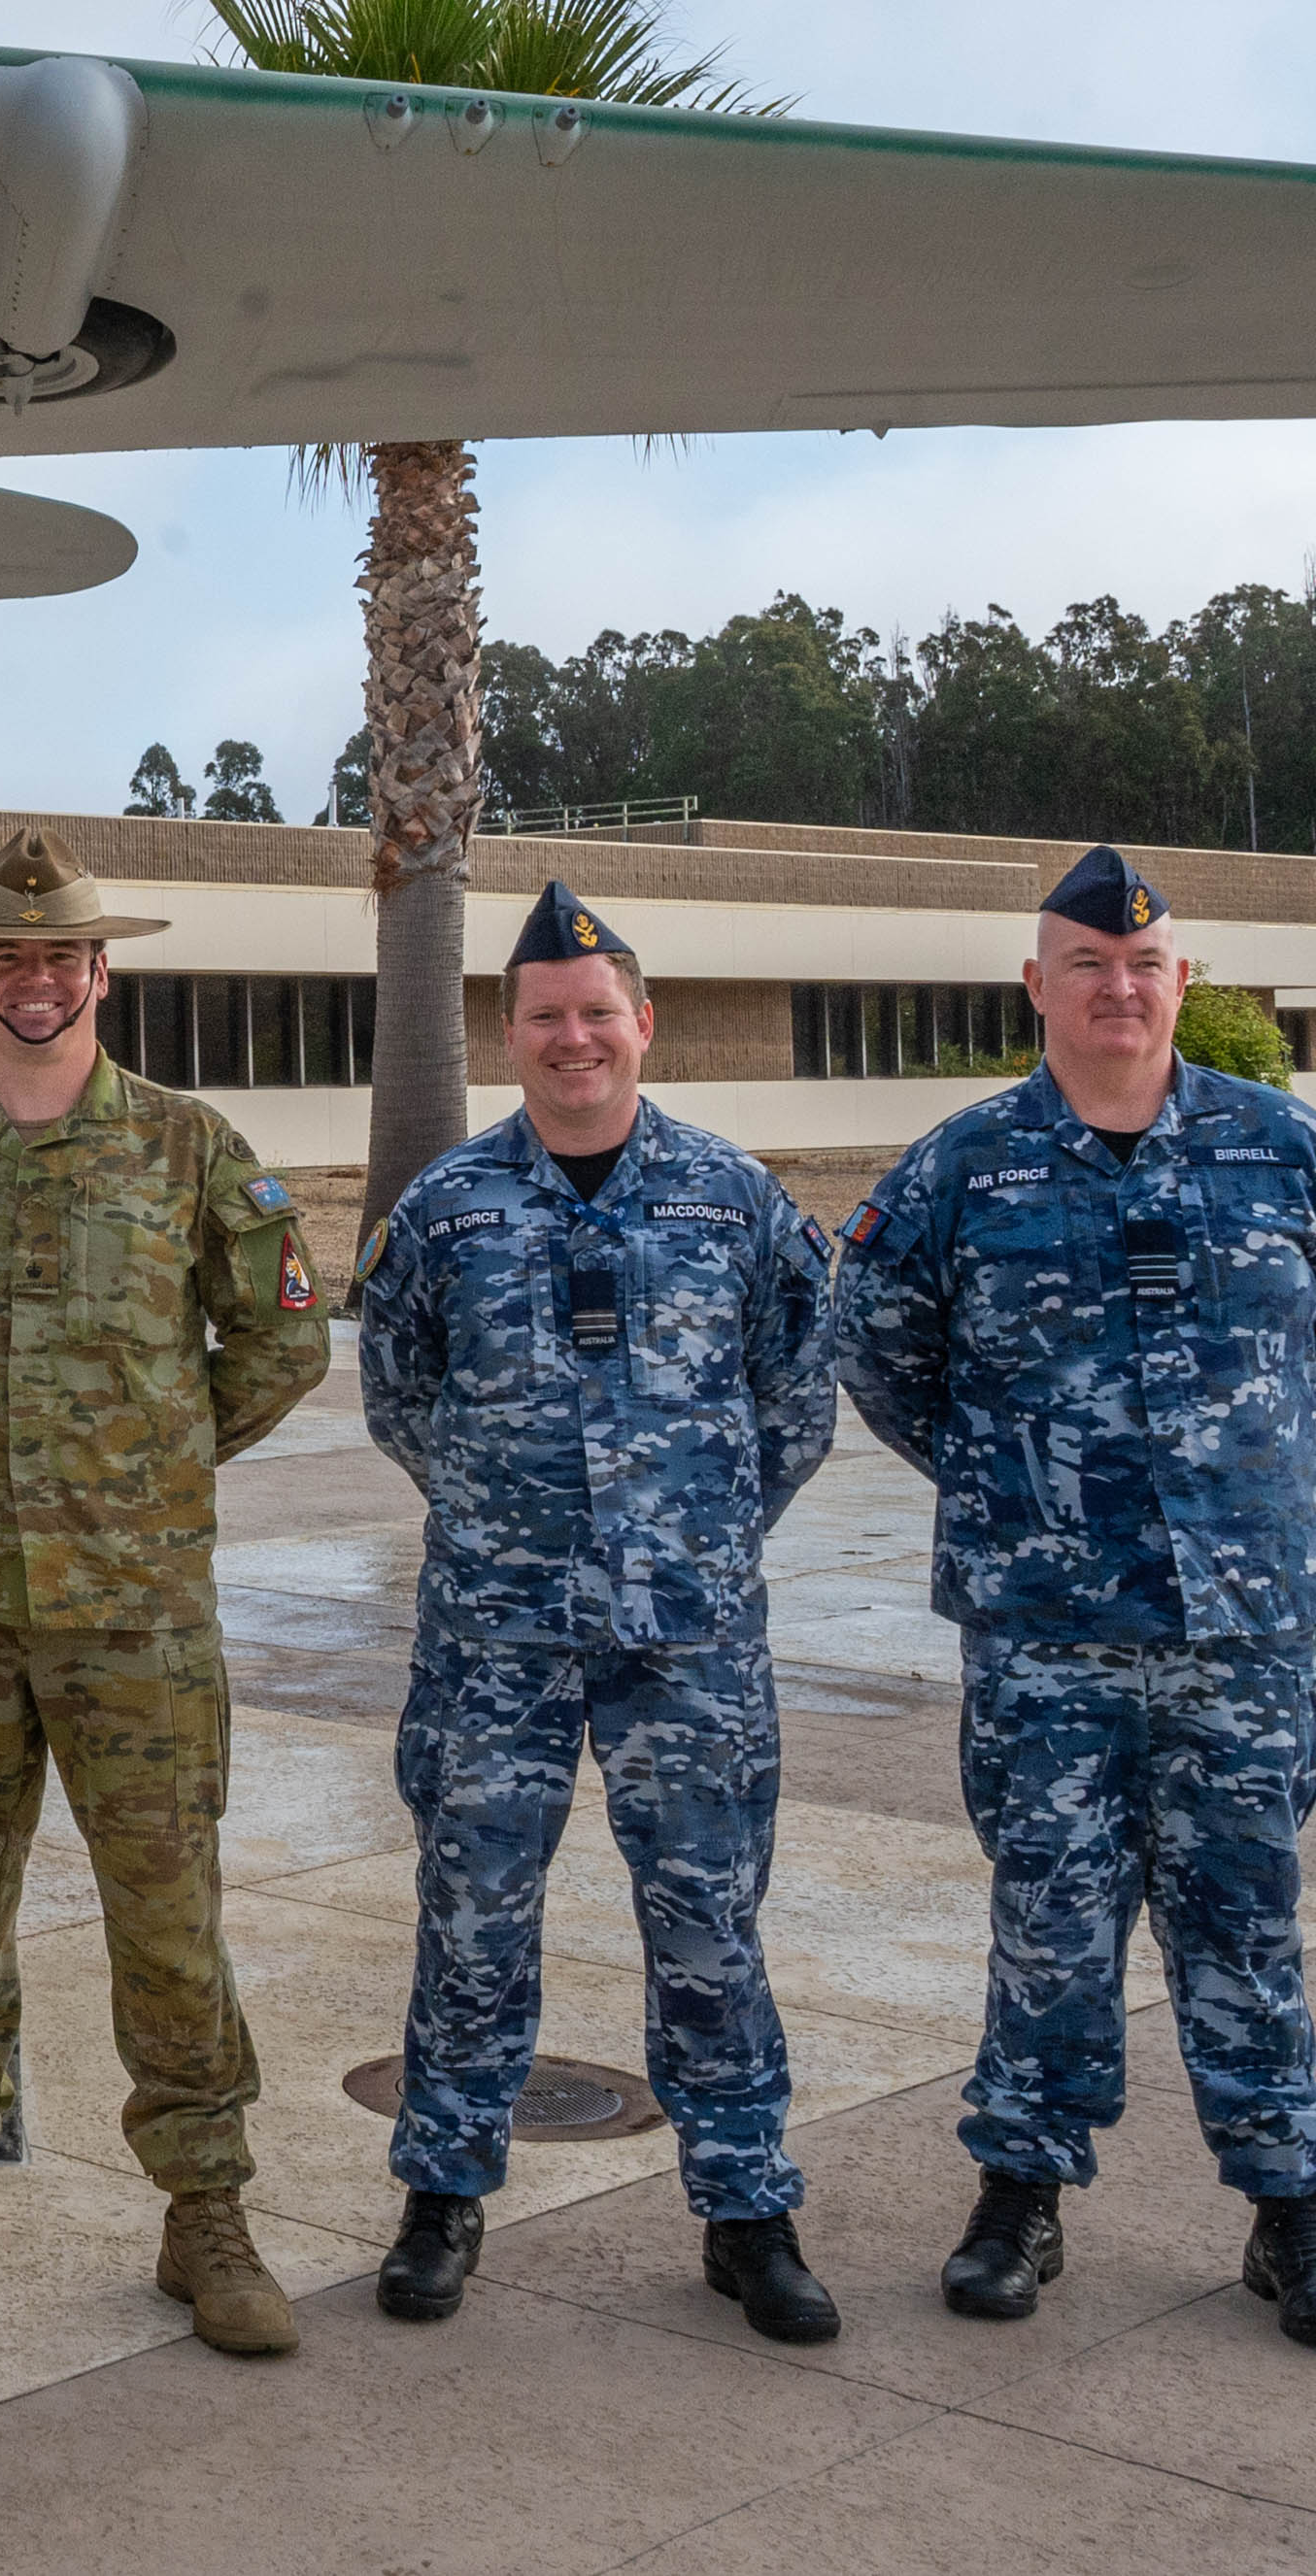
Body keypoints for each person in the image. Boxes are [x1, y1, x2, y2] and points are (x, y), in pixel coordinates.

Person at [831, 842, 1316, 2352]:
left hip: (1240, 1627)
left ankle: (1295, 2214)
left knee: (1250, 1919)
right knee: (1049, 1921)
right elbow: (880, 1347)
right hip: (1048, 1629)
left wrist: (1249, 1465)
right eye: (1086, 964)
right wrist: (1011, 1478)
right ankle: (1020, 2195)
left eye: (1143, 964)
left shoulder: (1286, 1150)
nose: (1117, 987)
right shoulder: (966, 1166)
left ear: (1181, 981)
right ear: (1039, 985)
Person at [0, 826, 329, 2357]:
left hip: (138, 1619)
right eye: (5, 956)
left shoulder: (191, 1149)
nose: (34, 979)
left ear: (101, 971)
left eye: (60, 956)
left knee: (168, 1921)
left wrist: (150, 1468)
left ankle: (206, 2211)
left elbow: (282, 1342)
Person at [356, 879, 846, 2340]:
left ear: (646, 1022)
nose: (576, 1039)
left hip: (689, 1643)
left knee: (709, 1921)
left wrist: (692, 1533)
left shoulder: (733, 1198)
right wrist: (517, 1531)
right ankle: (443, 2193)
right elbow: (400, 1399)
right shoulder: (446, 1211)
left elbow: (798, 1393)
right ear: (507, 1033)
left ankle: (747, 2204)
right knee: (472, 1915)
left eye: (599, 1013)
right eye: (547, 1017)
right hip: (495, 1642)